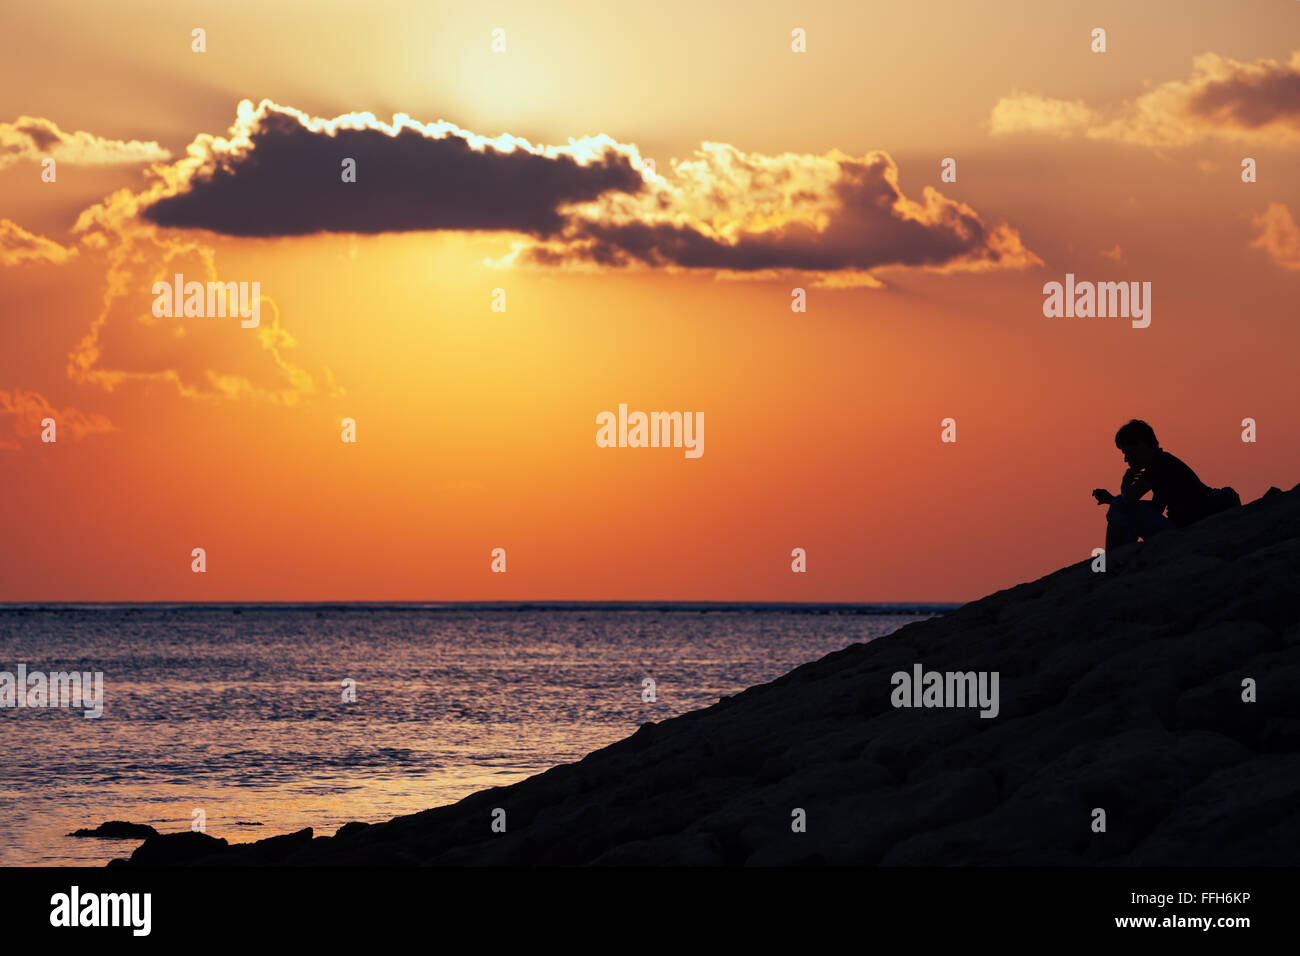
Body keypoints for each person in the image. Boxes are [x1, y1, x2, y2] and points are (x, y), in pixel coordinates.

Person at [1091, 420, 1220, 551]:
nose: (1126, 459)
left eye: (1128, 452)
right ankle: (1120, 556)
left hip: (1185, 530)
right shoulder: (1162, 461)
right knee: (1119, 503)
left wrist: (1125, 481)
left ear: (1141, 446)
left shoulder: (1159, 464)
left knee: (1119, 504)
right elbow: (1156, 507)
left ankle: (1113, 559)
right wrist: (1112, 500)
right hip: (1184, 527)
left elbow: (1130, 498)